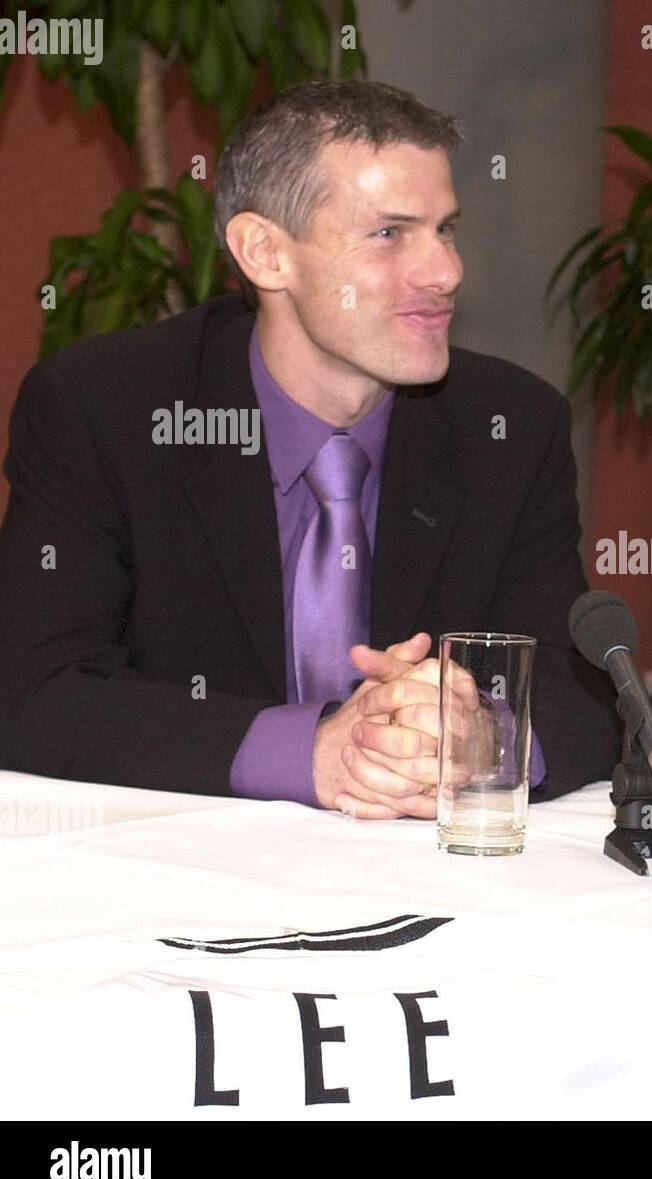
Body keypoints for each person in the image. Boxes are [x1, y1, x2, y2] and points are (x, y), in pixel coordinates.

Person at [0, 80, 620, 816]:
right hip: (182, 886)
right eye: (390, 233)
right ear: (265, 253)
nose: (446, 273)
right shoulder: (108, 411)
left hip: (430, 891)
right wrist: (312, 749)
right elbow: (34, 694)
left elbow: (586, 694)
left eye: (446, 229)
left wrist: (474, 734)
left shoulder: (510, 426)